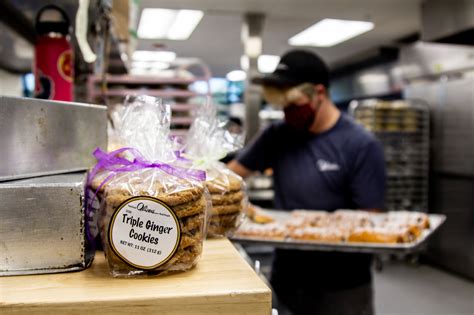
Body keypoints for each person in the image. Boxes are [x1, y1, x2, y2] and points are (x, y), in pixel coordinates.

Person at [228, 50, 386, 315]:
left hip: (342, 286)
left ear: (319, 93)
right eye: (283, 107)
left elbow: (370, 222)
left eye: (293, 105)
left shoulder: (360, 145)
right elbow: (231, 175)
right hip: (286, 276)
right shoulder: (278, 135)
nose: (287, 114)